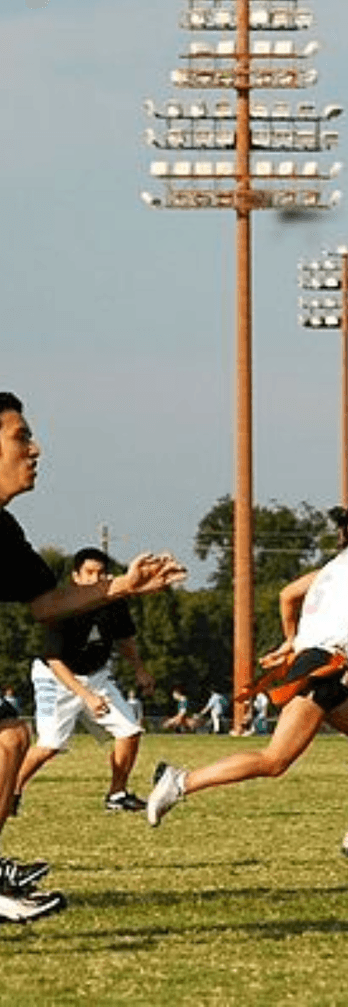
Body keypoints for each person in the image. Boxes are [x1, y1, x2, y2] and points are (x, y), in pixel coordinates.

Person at [147, 488, 348, 858]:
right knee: (275, 760)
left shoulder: (336, 566)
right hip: (320, 667)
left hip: (320, 665)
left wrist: (293, 640)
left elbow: (287, 595)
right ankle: (181, 782)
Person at [0, 391, 184, 923]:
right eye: (21, 437)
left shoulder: (3, 531)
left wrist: (123, 585)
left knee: (10, 740)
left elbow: (46, 604)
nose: (35, 449)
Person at [14, 547, 157, 814]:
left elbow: (125, 639)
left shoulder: (115, 601)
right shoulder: (63, 605)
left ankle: (117, 795)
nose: (95, 579)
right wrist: (87, 696)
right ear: (75, 577)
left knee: (129, 731)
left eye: (101, 573)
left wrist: (140, 669)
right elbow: (54, 660)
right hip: (56, 677)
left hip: (96, 676)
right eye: (89, 573)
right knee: (50, 745)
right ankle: (11, 791)